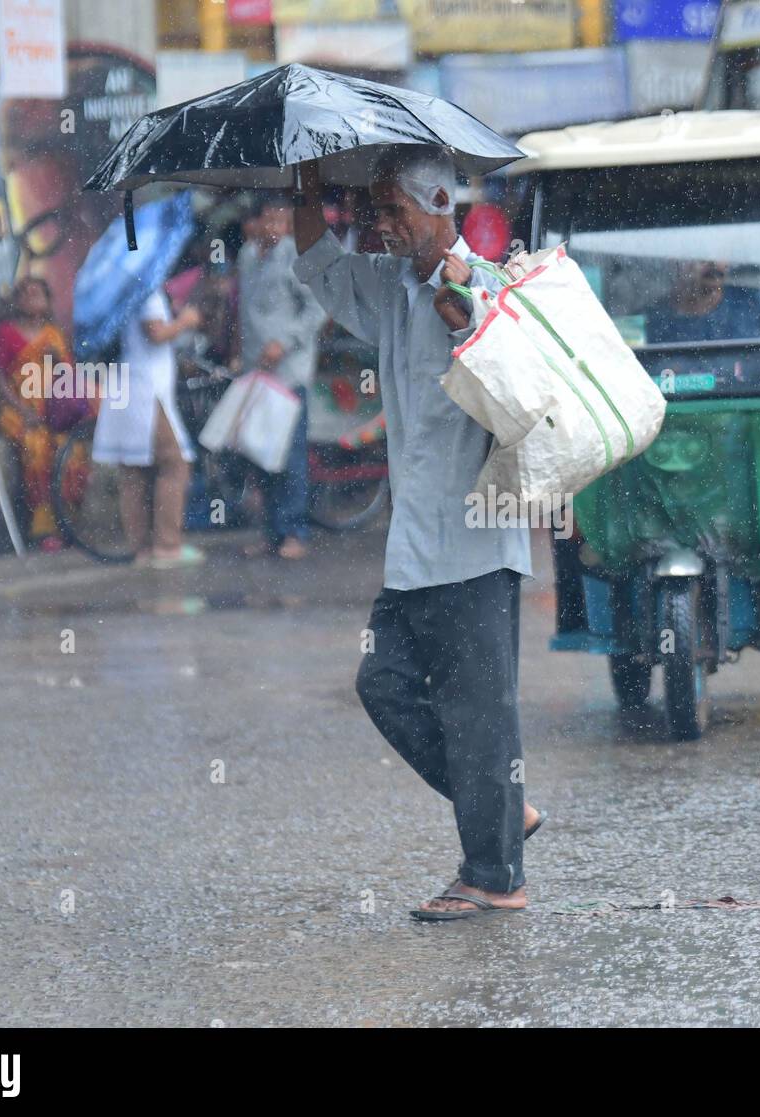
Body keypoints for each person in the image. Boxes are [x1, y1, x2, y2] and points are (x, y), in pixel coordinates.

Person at [291, 149, 543, 921]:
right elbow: (318, 262)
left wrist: (470, 326)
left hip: (474, 541)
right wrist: (301, 183)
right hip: (415, 550)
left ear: (440, 203)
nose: (381, 226)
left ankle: (495, 874)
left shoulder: (491, 289)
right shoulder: (392, 288)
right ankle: (502, 806)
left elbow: (524, 402)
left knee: (478, 712)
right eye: (375, 212)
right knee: (384, 683)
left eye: (393, 211)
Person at [237, 195, 329, 560]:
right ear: (255, 223)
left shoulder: (296, 256)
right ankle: (271, 533)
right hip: (254, 373)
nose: (275, 229)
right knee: (261, 456)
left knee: (290, 456)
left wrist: (285, 341)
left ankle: (295, 532)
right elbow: (243, 311)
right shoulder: (246, 257)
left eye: (281, 222)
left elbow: (317, 308)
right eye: (269, 221)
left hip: (289, 374)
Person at [91, 286, 204, 569]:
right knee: (173, 464)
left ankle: (140, 548)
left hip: (123, 385)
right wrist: (185, 321)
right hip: (145, 390)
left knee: (134, 470)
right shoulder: (146, 291)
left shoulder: (117, 291)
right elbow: (155, 333)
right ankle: (166, 547)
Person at [0, 277, 75, 551]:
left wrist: (56, 358)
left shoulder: (54, 334)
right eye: (26, 294)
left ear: (48, 300)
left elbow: (67, 379)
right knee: (37, 447)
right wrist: (23, 409)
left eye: (37, 293)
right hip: (18, 410)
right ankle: (44, 529)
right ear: (17, 301)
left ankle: (67, 523)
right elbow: (0, 378)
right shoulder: (6, 332)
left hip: (52, 409)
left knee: (70, 451)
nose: (32, 298)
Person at [647, 259, 760, 344]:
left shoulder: (757, 304)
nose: (713, 263)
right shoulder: (649, 319)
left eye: (718, 253)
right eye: (701, 256)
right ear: (675, 262)